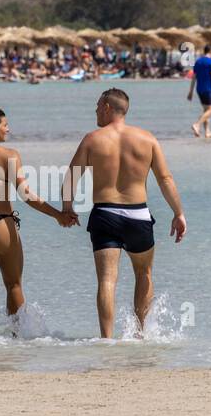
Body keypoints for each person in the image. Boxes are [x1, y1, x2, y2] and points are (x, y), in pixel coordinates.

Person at [64, 89, 186, 339]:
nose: (96, 110)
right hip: (138, 215)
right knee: (144, 273)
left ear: (108, 107)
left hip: (105, 214)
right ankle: (141, 334)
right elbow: (165, 178)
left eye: (98, 105)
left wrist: (67, 208)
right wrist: (178, 213)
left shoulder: (92, 139)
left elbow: (72, 175)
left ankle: (107, 339)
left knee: (107, 280)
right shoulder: (147, 139)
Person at [0, 106, 78, 338]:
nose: (8, 129)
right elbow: (26, 195)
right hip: (2, 223)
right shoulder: (8, 155)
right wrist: (58, 215)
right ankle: (18, 339)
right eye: (5, 125)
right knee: (13, 285)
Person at [188, 45, 211, 138]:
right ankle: (197, 125)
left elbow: (194, 78)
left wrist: (190, 91)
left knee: (205, 110)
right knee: (210, 110)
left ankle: (207, 132)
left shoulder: (198, 62)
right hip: (207, 89)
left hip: (199, 89)